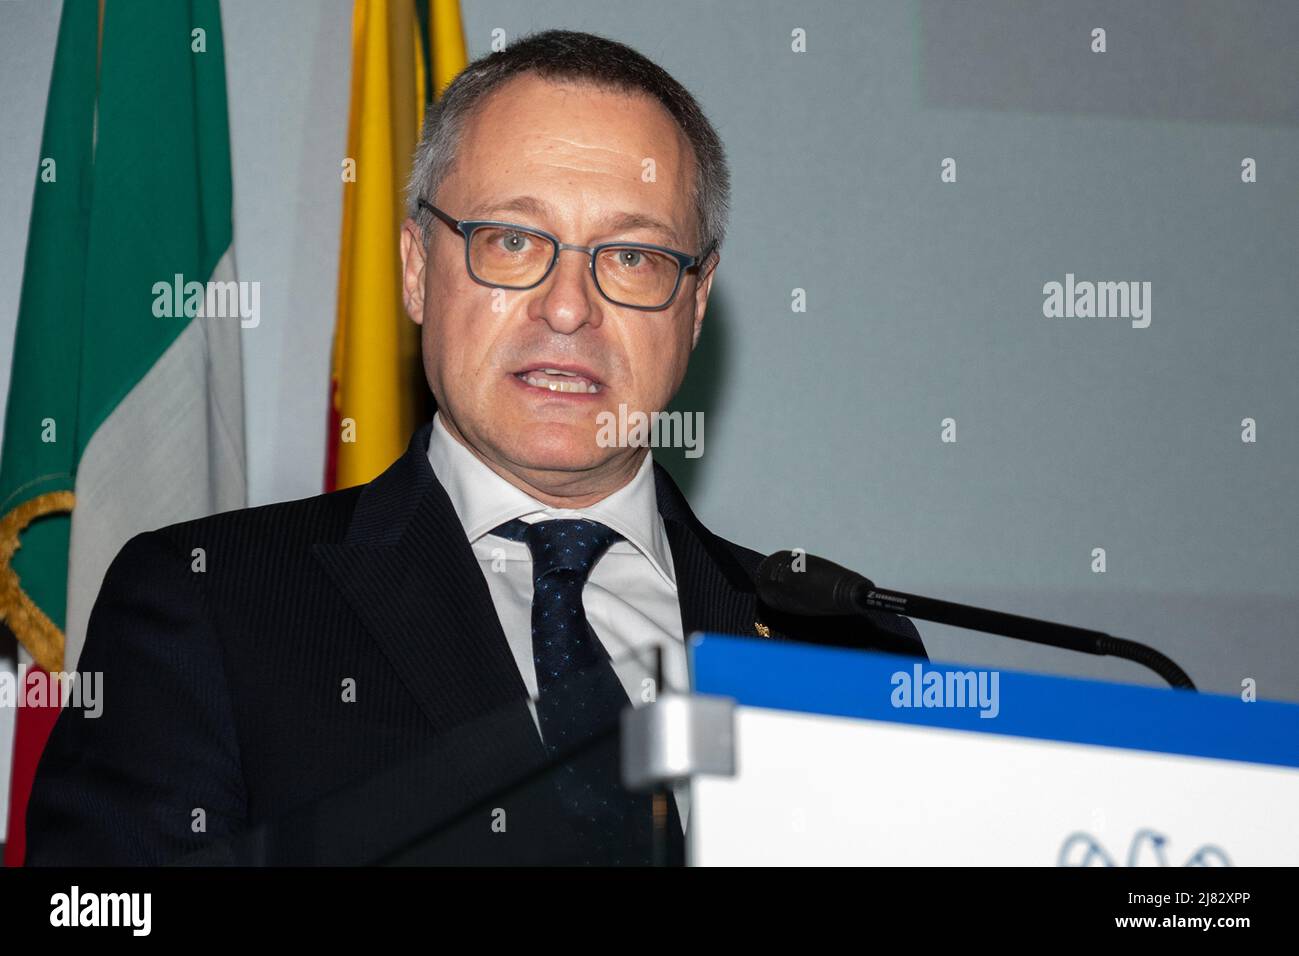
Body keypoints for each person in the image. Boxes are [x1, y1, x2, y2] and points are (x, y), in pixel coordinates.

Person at [26, 29, 924, 867]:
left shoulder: (846, 651)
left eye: (634, 258)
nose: (568, 307)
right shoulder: (209, 605)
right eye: (511, 241)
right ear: (418, 269)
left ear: (694, 304)